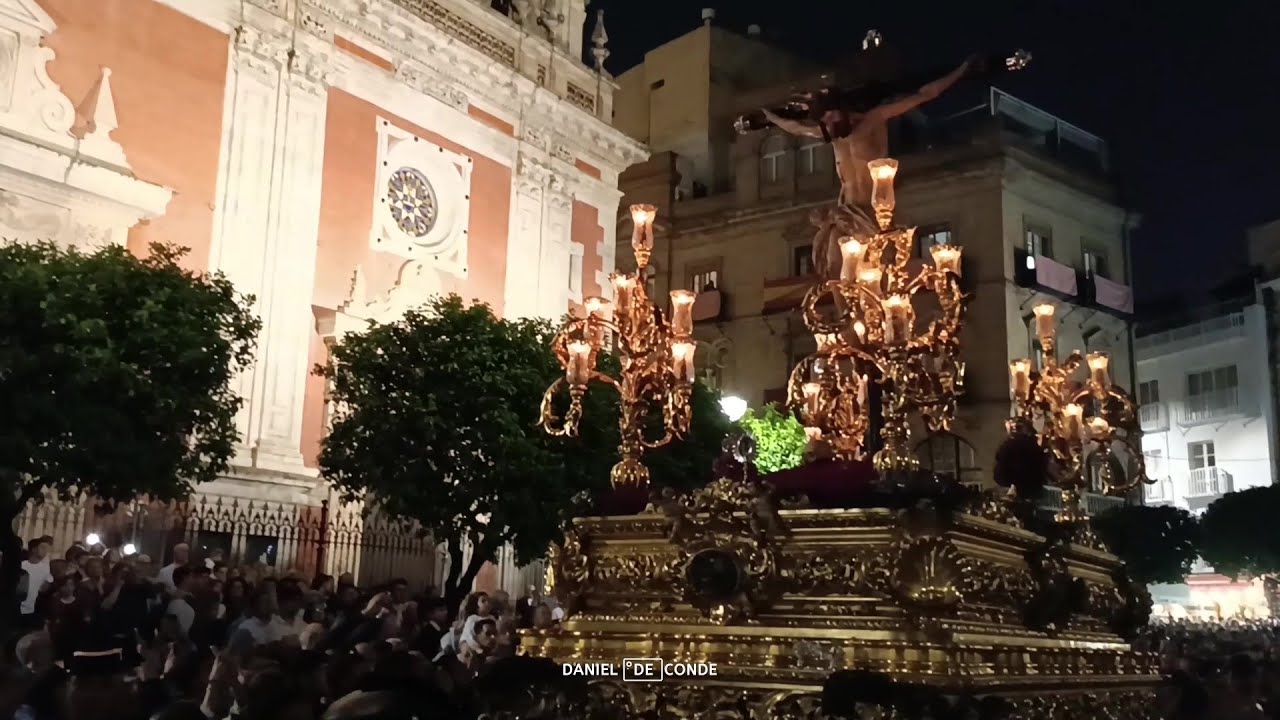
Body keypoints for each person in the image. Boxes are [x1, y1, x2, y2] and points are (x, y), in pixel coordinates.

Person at [19, 536, 53, 626]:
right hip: (17, 607)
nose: (45, 551)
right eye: (42, 547)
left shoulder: (45, 568)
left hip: (33, 609)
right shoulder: (22, 565)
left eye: (46, 548)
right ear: (34, 549)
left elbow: (45, 588)